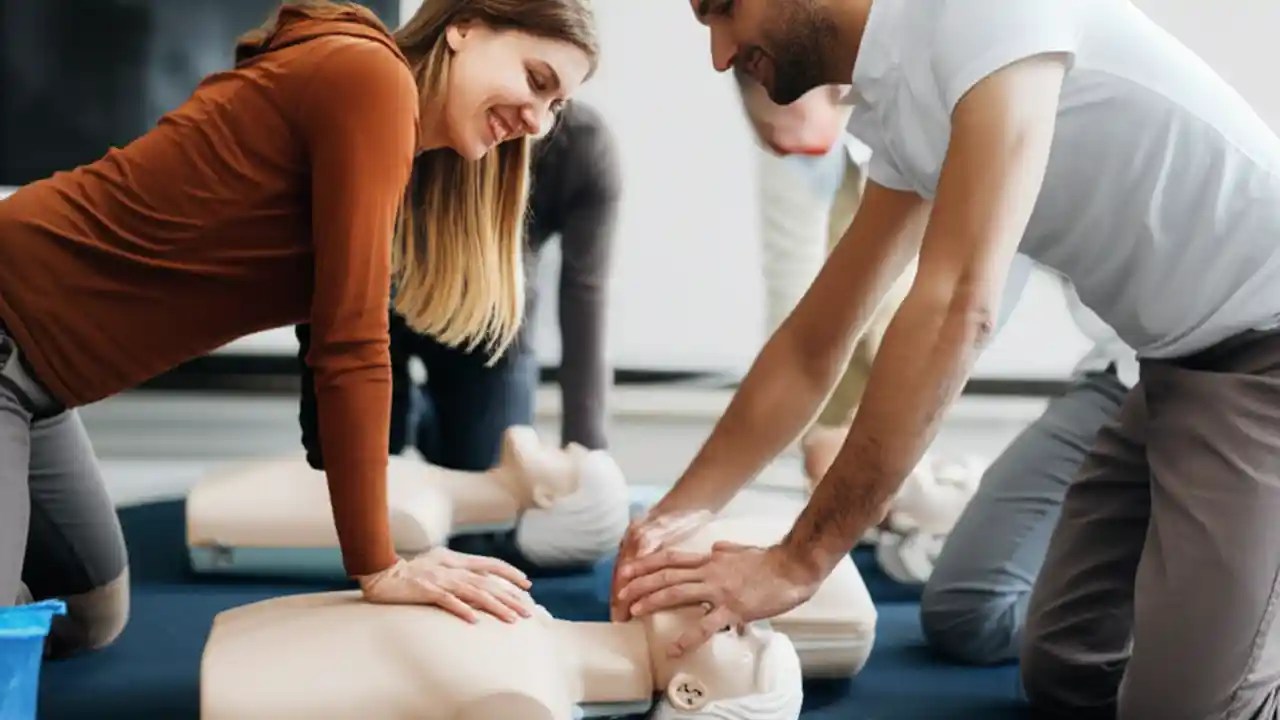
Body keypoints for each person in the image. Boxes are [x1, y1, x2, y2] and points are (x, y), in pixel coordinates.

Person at [612, 1, 1280, 718]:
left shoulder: (981, 13)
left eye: (723, 9)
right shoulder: (906, 100)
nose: (720, 54)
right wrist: (674, 515)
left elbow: (959, 310)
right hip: (1167, 367)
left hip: (1263, 351)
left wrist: (798, 561)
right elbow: (815, 341)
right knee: (1065, 666)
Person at [0, 0, 599, 658]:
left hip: (42, 391)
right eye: (536, 80)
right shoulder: (370, 79)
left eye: (556, 105)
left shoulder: (384, 124)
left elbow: (323, 337)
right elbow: (351, 342)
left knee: (89, 611)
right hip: (7, 325)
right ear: (464, 28)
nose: (538, 121)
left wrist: (363, 508)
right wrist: (379, 565)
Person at [298, 99, 619, 476]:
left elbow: (585, 294)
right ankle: (408, 412)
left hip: (490, 326)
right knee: (361, 470)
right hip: (378, 303)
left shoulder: (583, 147)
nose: (534, 119)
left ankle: (429, 418)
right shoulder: (389, 114)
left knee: (491, 491)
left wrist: (588, 456)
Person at [733, 69, 917, 478]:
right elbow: (792, 293)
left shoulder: (914, 102)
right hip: (833, 382)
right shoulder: (789, 135)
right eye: (772, 135)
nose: (790, 143)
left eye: (797, 121)